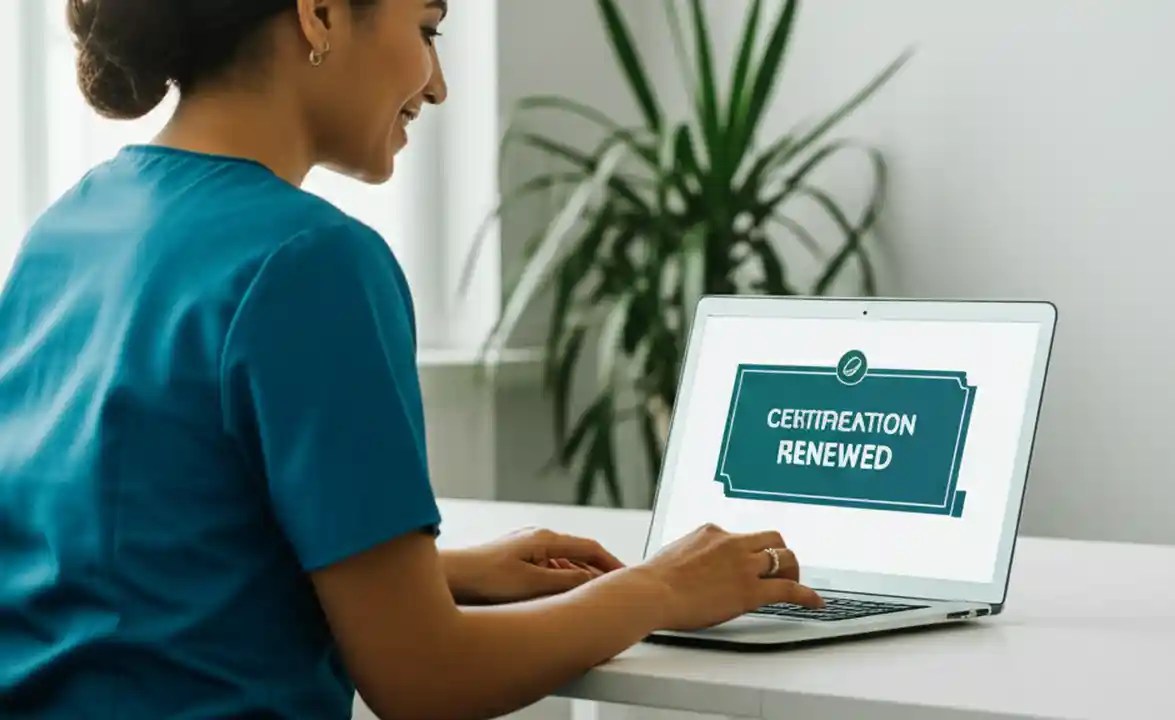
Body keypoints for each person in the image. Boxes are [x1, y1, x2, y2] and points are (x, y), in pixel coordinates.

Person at [0, 1, 823, 718]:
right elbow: (425, 679)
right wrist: (663, 588)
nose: (437, 84)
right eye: (426, 29)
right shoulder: (311, 260)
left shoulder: (70, 227)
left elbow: (135, 557)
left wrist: (442, 573)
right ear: (319, 13)